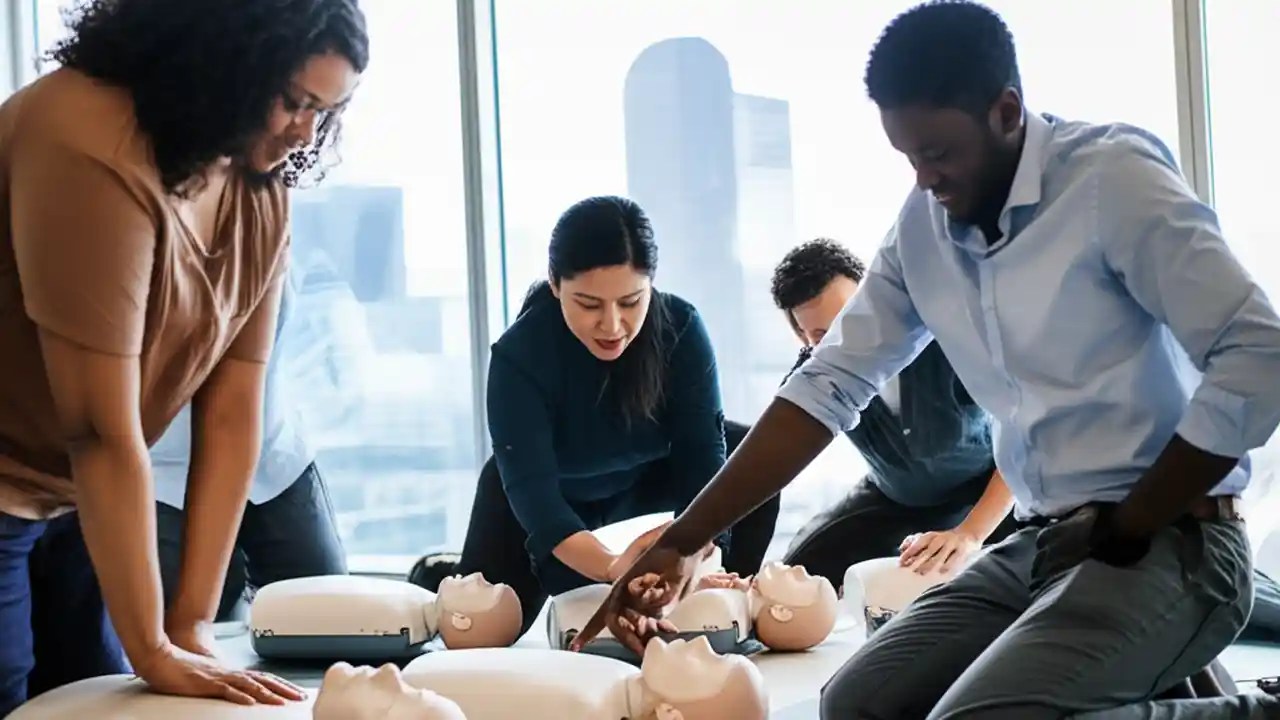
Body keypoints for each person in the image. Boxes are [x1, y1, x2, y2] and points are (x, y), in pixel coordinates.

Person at [575, 2, 1280, 718]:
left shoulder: (1109, 180)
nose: (925, 180)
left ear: (1006, 112)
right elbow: (829, 384)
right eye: (909, 157)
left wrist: (1133, 521)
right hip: (1044, 547)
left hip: (1176, 540)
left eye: (939, 153)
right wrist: (684, 542)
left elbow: (1258, 353)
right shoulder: (924, 228)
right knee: (855, 707)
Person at [0, 0, 367, 715]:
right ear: (226, 56)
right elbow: (100, 431)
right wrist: (154, 650)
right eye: (294, 101)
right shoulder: (89, 142)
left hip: (66, 495)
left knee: (102, 697)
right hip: (32, 469)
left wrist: (189, 623)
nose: (306, 132)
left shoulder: (259, 187)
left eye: (329, 111)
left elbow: (232, 412)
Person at [410, 195, 775, 636]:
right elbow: (540, 507)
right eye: (588, 304)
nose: (612, 325)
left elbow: (703, 458)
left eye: (630, 301)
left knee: (753, 462)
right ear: (554, 283)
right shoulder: (517, 357)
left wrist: (695, 559)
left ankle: (722, 588)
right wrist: (614, 568)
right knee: (480, 626)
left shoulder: (681, 327)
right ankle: (436, 573)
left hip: (648, 478)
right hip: (545, 497)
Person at [730, 238, 1016, 585]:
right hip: (893, 498)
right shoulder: (816, 375)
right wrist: (736, 569)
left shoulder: (945, 338)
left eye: (847, 322)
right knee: (790, 574)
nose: (841, 344)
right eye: (819, 338)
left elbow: (1021, 435)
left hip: (987, 489)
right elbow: (768, 464)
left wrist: (970, 534)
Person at [150, 267, 347, 622]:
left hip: (275, 455)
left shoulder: (260, 223)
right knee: (197, 630)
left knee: (332, 616)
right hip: (166, 476)